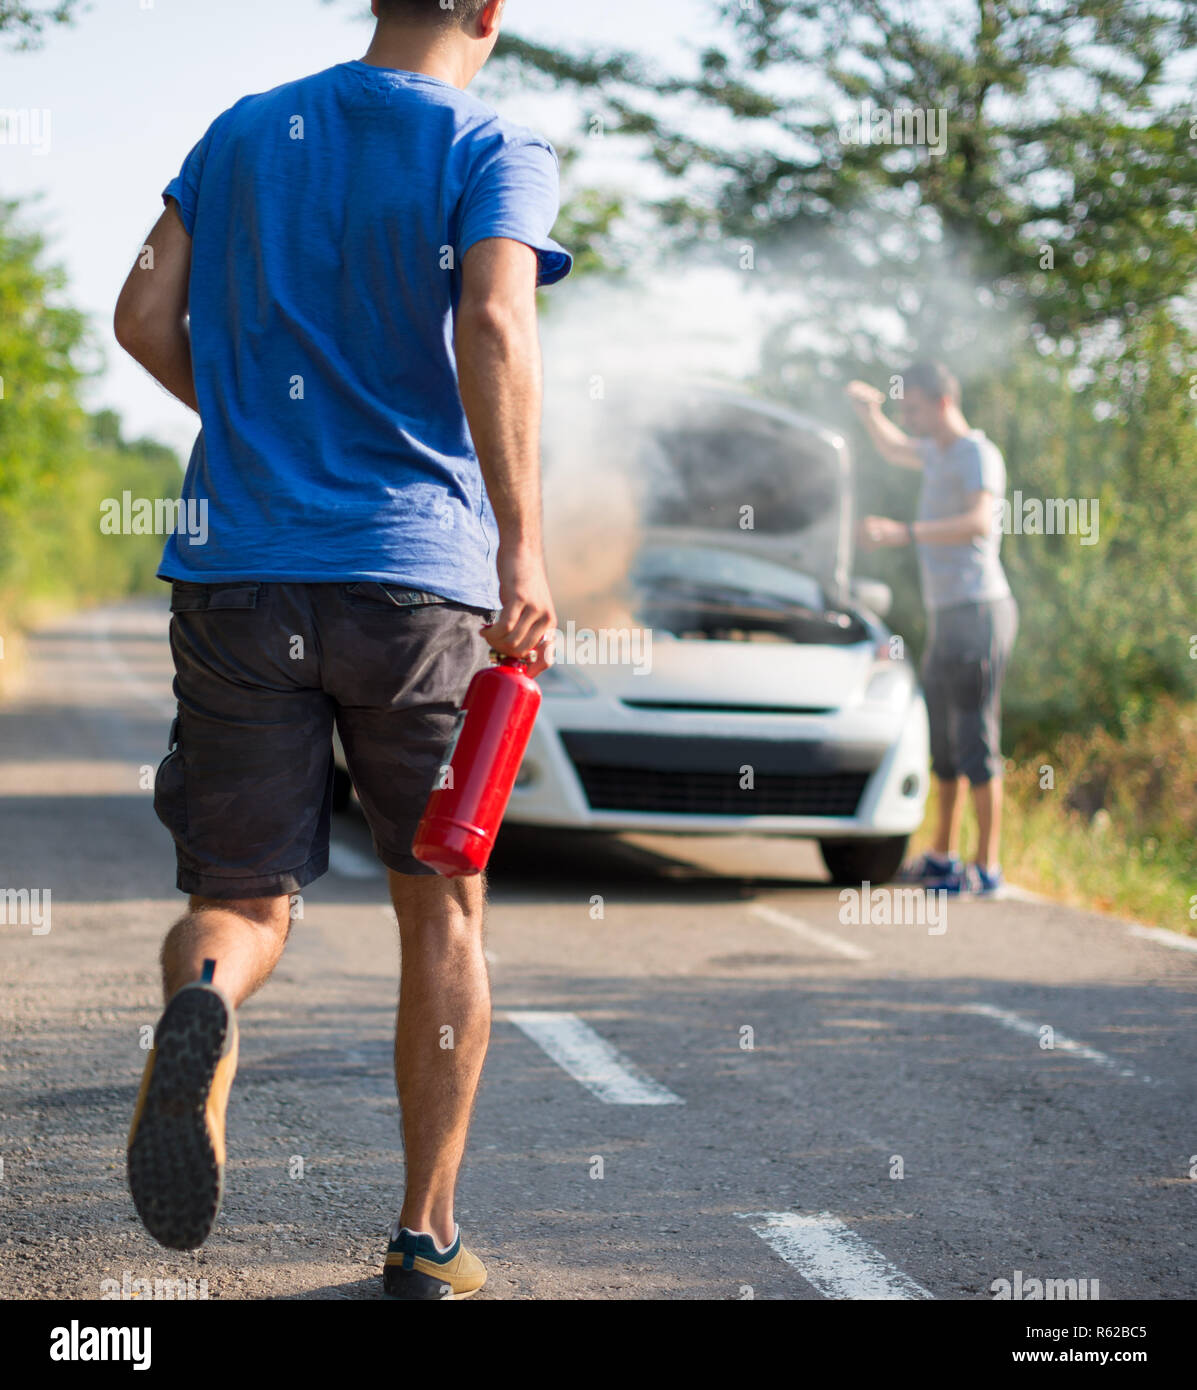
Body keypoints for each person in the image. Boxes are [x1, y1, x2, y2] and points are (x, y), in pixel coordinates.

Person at [114, 0, 571, 1300]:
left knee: (245, 897)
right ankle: (426, 1235)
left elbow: (143, 319)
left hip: (240, 570)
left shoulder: (246, 130)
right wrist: (522, 548)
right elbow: (494, 323)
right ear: (487, 10)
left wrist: (260, 427)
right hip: (412, 580)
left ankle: (205, 1000)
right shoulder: (493, 144)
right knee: (440, 905)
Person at [848, 362, 1017, 899]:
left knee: (976, 739)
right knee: (945, 742)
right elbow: (893, 447)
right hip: (949, 615)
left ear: (942, 402)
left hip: (979, 610)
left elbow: (979, 522)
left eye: (914, 407)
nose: (909, 418)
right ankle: (943, 856)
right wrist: (869, 413)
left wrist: (903, 532)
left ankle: (986, 865)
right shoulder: (936, 451)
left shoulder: (975, 453)